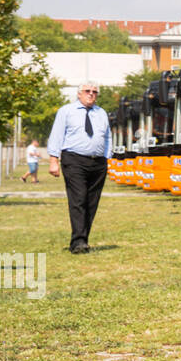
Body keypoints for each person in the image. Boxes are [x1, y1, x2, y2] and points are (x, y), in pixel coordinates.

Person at [47, 83, 111, 253]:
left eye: (94, 92)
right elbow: (57, 134)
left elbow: (107, 136)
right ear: (79, 94)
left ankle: (82, 239)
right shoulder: (66, 111)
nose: (91, 94)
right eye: (87, 91)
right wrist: (54, 159)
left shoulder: (101, 113)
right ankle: (78, 241)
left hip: (98, 162)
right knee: (79, 198)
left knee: (92, 201)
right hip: (74, 160)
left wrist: (107, 157)